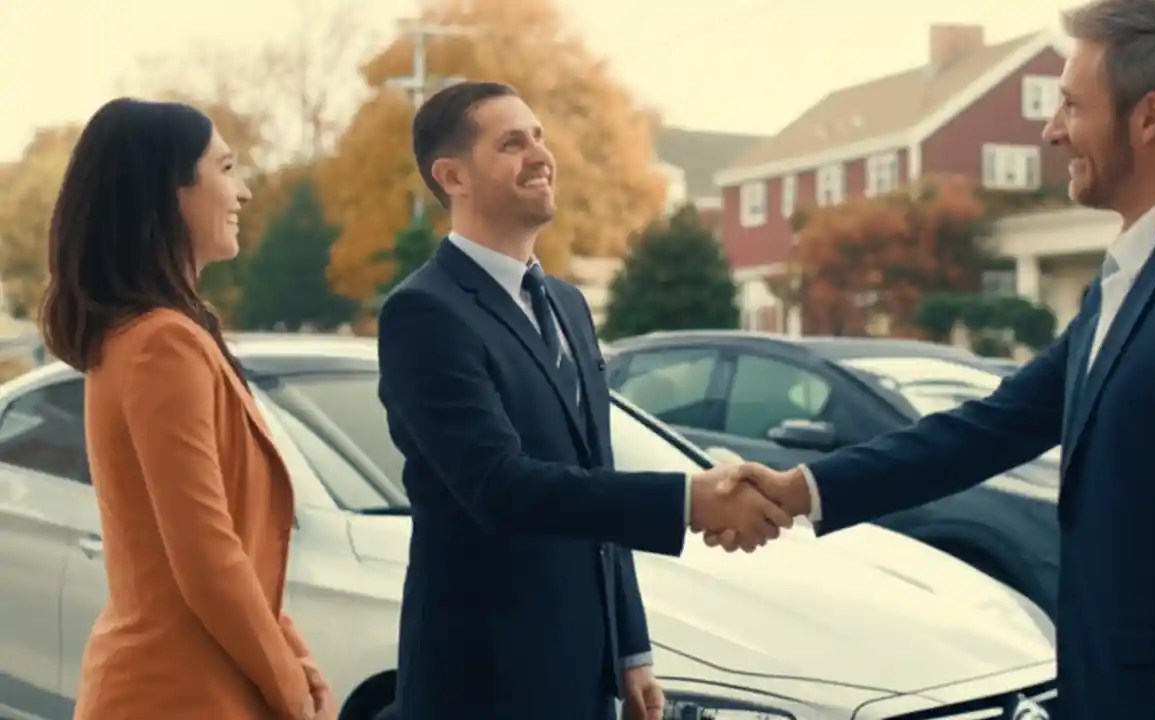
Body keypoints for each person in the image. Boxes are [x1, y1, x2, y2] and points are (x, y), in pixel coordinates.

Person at [713, 0, 1155, 717]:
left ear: (1148, 117)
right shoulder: (1130, 283)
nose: (1050, 131)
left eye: (1071, 105)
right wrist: (801, 489)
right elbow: (987, 428)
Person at [375, 80, 792, 720]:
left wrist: (630, 648)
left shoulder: (568, 305)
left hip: (584, 669)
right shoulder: (425, 313)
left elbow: (594, 478)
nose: (540, 155)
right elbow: (499, 487)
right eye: (511, 143)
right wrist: (688, 499)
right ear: (452, 175)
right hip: (484, 678)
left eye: (539, 137)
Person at [39, 97, 334, 720]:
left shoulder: (158, 334)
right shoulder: (160, 344)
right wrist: (290, 692)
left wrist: (296, 659)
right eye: (226, 169)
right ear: (166, 194)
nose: (244, 192)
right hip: (175, 695)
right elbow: (205, 556)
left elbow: (237, 555)